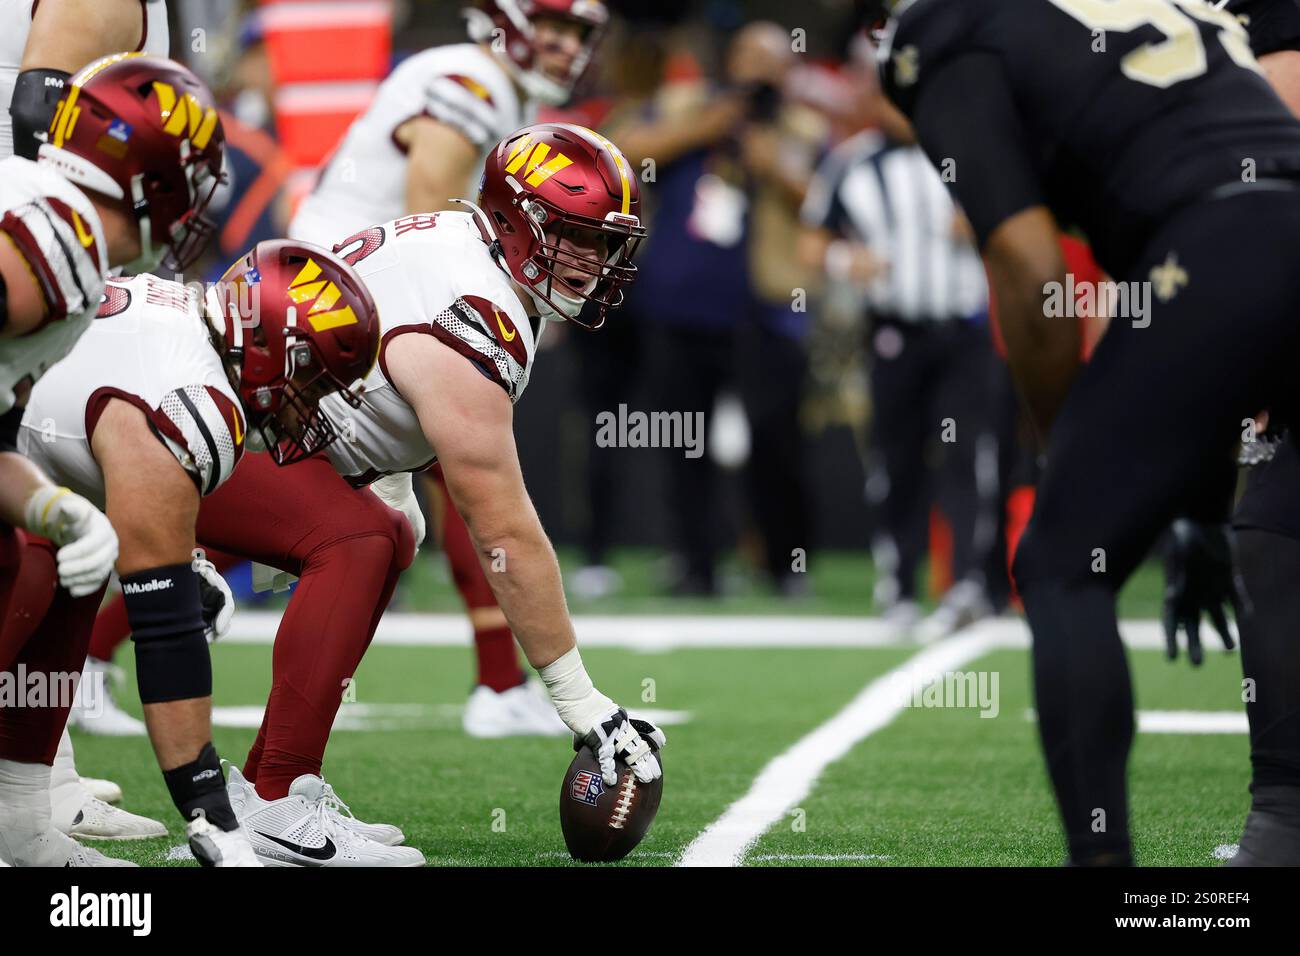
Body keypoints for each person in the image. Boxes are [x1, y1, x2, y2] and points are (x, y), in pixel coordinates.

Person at [878, 0, 1300, 864]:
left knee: (1059, 563)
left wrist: (1065, 456)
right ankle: (1287, 820)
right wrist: (1195, 500)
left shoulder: (950, 30)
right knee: (1285, 523)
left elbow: (1031, 270)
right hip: (1255, 232)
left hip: (1223, 242)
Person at [284, 0, 610, 737]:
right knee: (449, 493)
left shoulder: (500, 91)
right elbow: (430, 206)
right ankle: (502, 683)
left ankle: (497, 680)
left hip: (351, 304)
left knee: (379, 513)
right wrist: (484, 320)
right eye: (554, 26)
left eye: (579, 34)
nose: (565, 45)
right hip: (344, 312)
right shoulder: (471, 77)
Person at [800, 89, 995, 640]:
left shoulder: (969, 152)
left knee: (966, 457)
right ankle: (900, 587)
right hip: (893, 333)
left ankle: (965, 586)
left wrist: (983, 224)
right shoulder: (852, 163)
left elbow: (1022, 226)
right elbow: (811, 244)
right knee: (897, 459)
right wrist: (847, 259)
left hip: (962, 330)